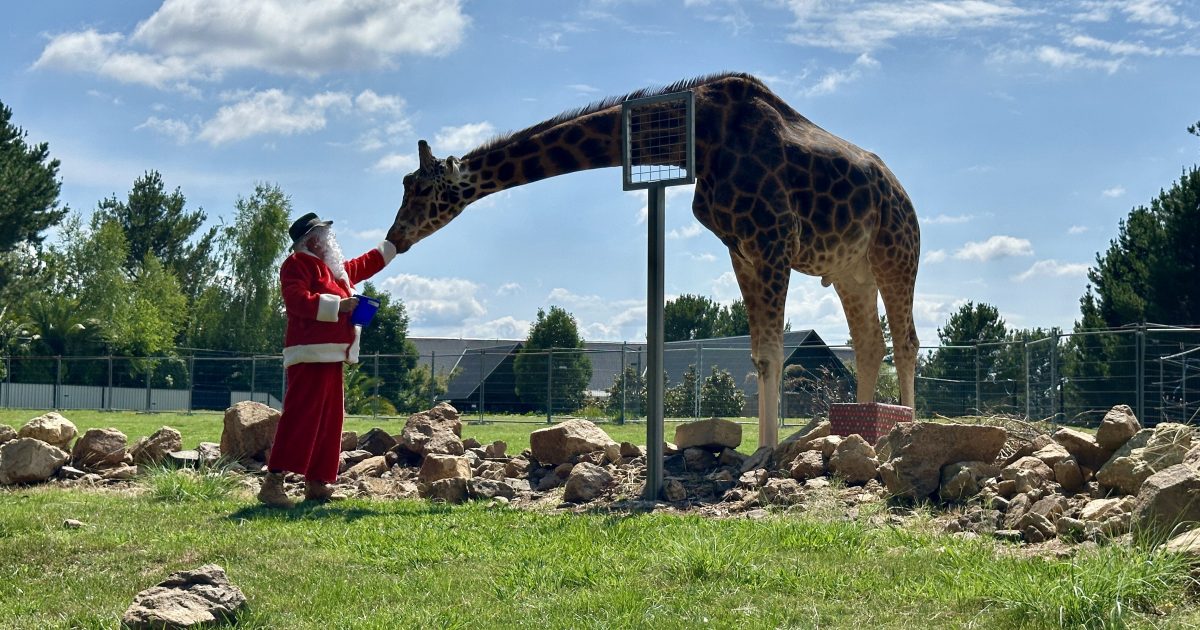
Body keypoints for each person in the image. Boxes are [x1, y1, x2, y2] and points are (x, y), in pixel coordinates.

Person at [257, 212, 397, 507]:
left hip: (331, 355)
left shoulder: (332, 270)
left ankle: (318, 482)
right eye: (325, 236)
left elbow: (363, 265)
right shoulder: (296, 264)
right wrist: (341, 305)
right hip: (309, 354)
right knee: (301, 417)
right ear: (312, 241)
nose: (330, 240)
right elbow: (296, 300)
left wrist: (395, 244)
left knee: (329, 422)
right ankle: (273, 483)